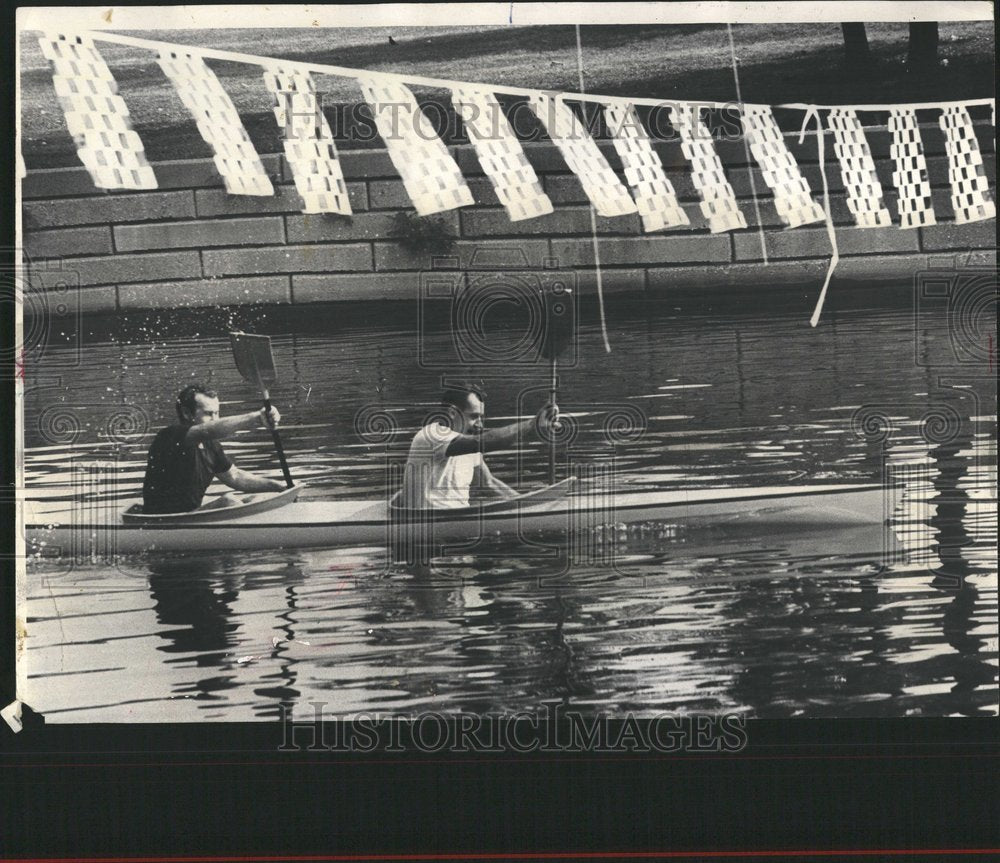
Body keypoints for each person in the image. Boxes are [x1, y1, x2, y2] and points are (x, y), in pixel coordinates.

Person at [400, 384, 559, 510]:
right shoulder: (433, 435)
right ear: (452, 413)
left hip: (456, 522)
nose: (480, 424)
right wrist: (532, 424)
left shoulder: (468, 444)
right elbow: (484, 442)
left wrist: (527, 505)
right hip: (428, 524)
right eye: (474, 417)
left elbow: (488, 483)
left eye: (481, 417)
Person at [142, 383, 286, 514]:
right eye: (209, 414)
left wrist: (279, 486)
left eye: (217, 413)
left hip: (189, 517)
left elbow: (235, 477)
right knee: (229, 501)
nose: (215, 419)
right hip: (161, 520)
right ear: (187, 413)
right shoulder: (170, 436)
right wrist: (257, 417)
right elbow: (208, 430)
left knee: (259, 498)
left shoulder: (210, 444)